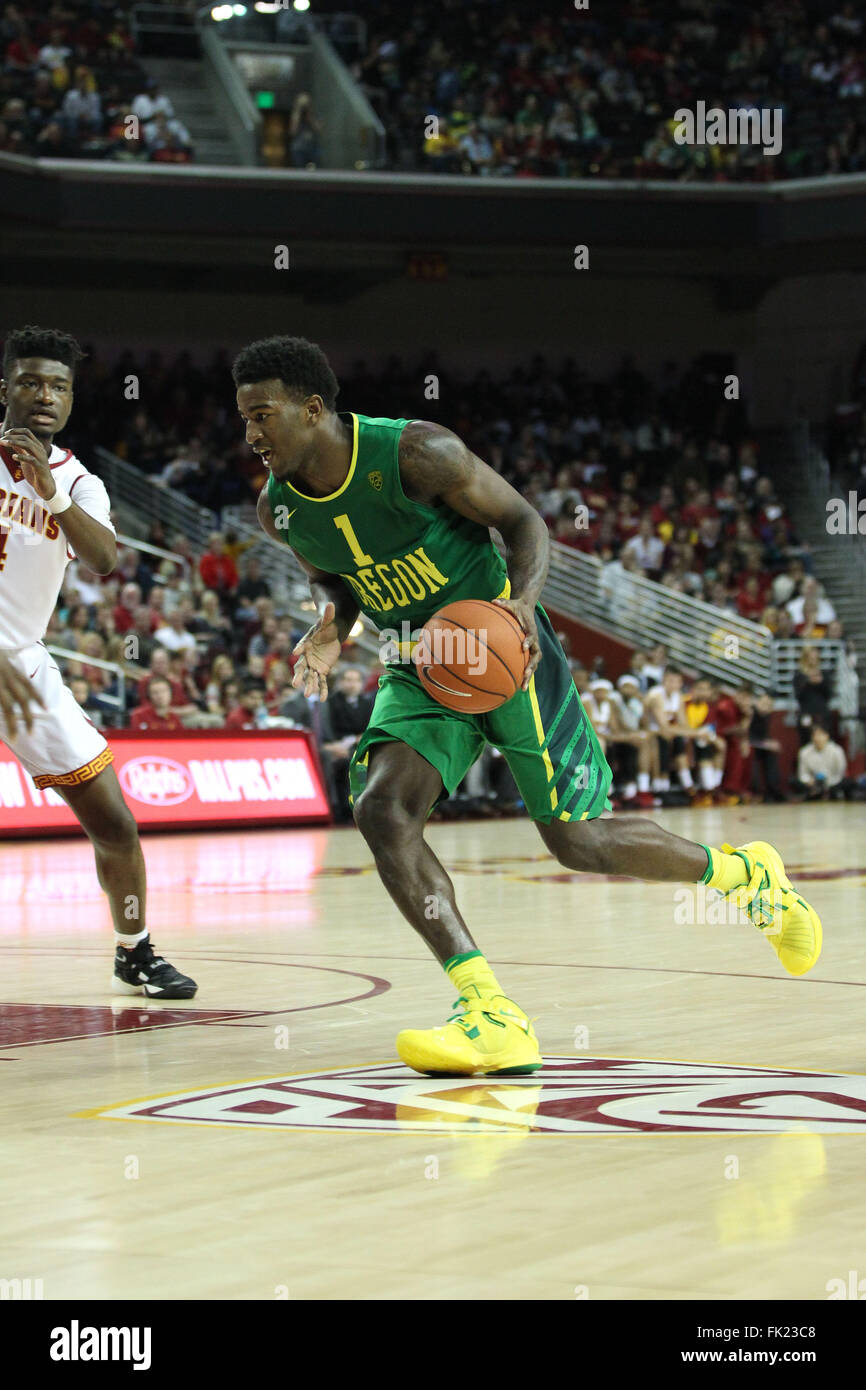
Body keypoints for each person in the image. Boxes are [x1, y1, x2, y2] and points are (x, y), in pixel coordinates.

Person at [235, 333, 822, 1077]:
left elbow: (524, 523)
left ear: (313, 408)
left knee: (579, 843)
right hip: (417, 662)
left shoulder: (416, 453)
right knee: (382, 812)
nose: (251, 435)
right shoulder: (279, 510)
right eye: (244, 419)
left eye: (263, 416)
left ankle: (745, 877)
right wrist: (330, 626)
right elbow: (336, 579)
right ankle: (491, 1012)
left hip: (502, 648)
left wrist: (520, 607)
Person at [0, 326, 195, 998]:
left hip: (22, 664)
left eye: (58, 386)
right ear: (5, 389)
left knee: (114, 820)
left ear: (71, 399)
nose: (44, 395)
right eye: (30, 381)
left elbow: (105, 558)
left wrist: (49, 493)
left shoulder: (80, 482)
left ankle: (134, 953)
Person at [794, 723, 849, 801]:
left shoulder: (837, 750)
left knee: (847, 783)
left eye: (820, 734)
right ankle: (816, 793)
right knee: (795, 782)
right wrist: (809, 780)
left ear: (827, 736)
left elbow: (840, 772)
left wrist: (826, 784)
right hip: (813, 782)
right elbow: (803, 773)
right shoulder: (804, 751)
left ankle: (825, 793)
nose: (817, 738)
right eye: (814, 735)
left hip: (833, 782)